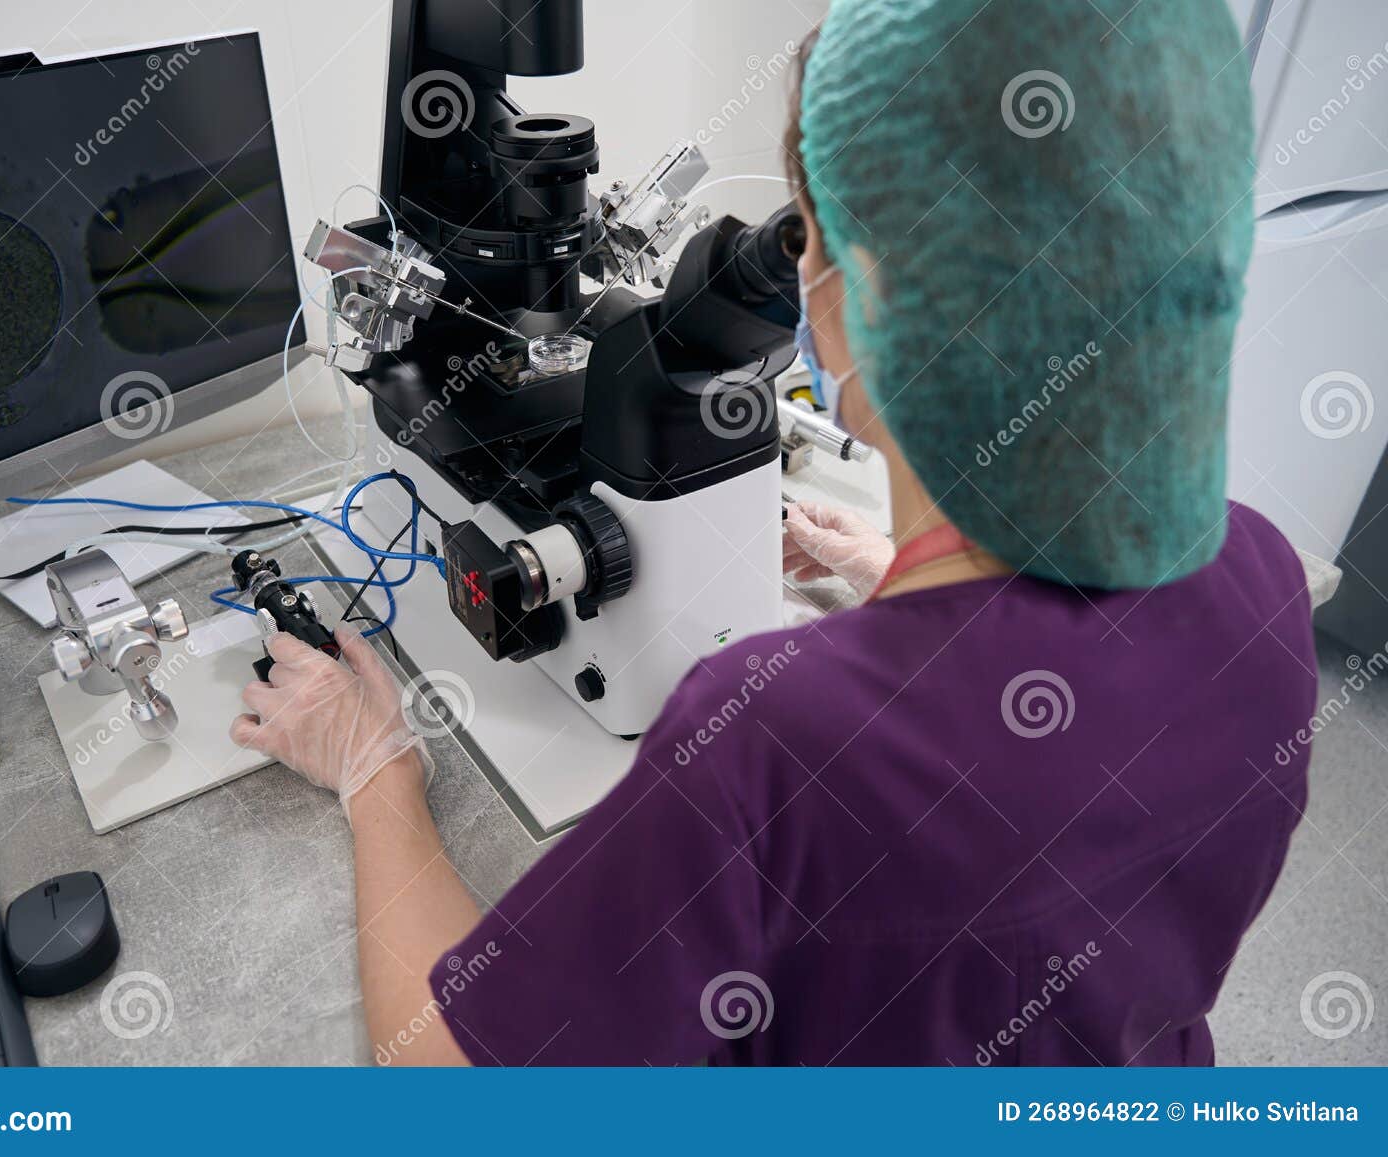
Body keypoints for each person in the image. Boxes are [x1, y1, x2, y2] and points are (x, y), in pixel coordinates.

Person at [231, 0, 1317, 1065]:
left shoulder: (773, 740)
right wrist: (908, 581)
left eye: (808, 241)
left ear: (834, 304)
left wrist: (374, 769)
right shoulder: (1260, 574)